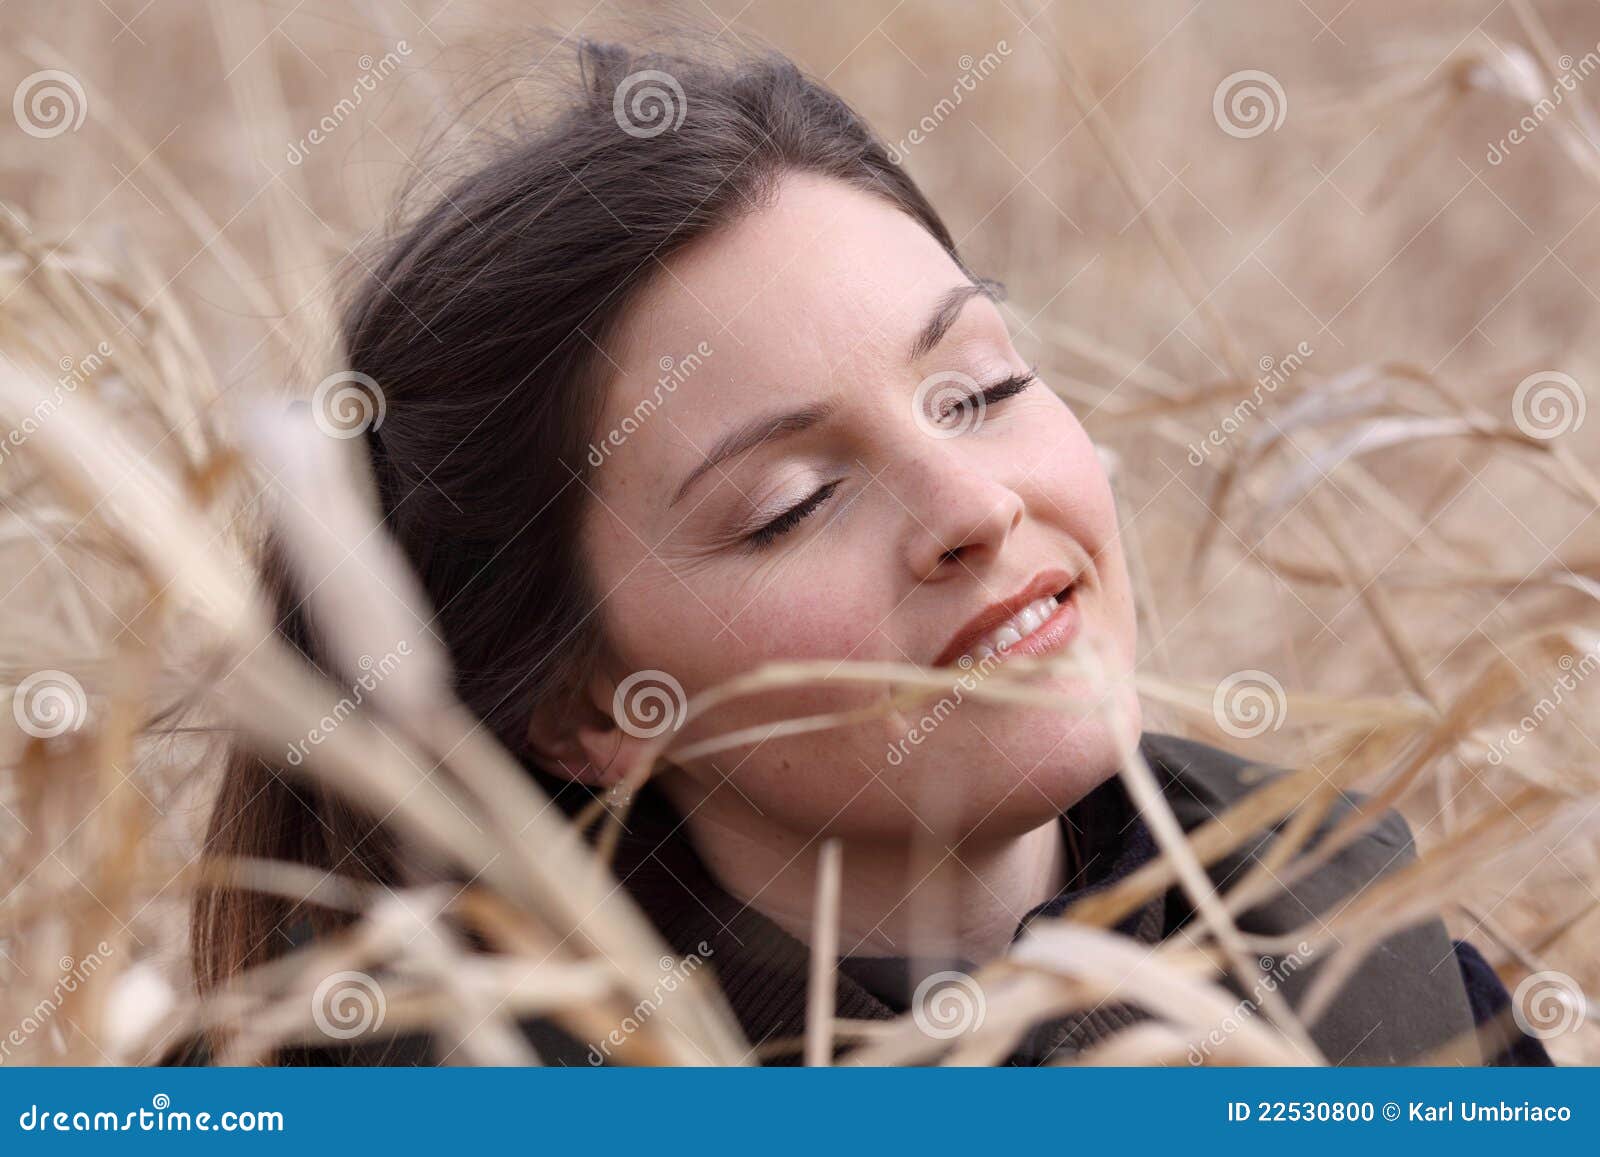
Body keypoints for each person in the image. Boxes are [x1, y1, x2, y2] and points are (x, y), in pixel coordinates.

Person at [185, 37, 1550, 1068]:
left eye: (980, 390)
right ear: (588, 708)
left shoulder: (1378, 964)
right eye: (792, 501)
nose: (975, 504)